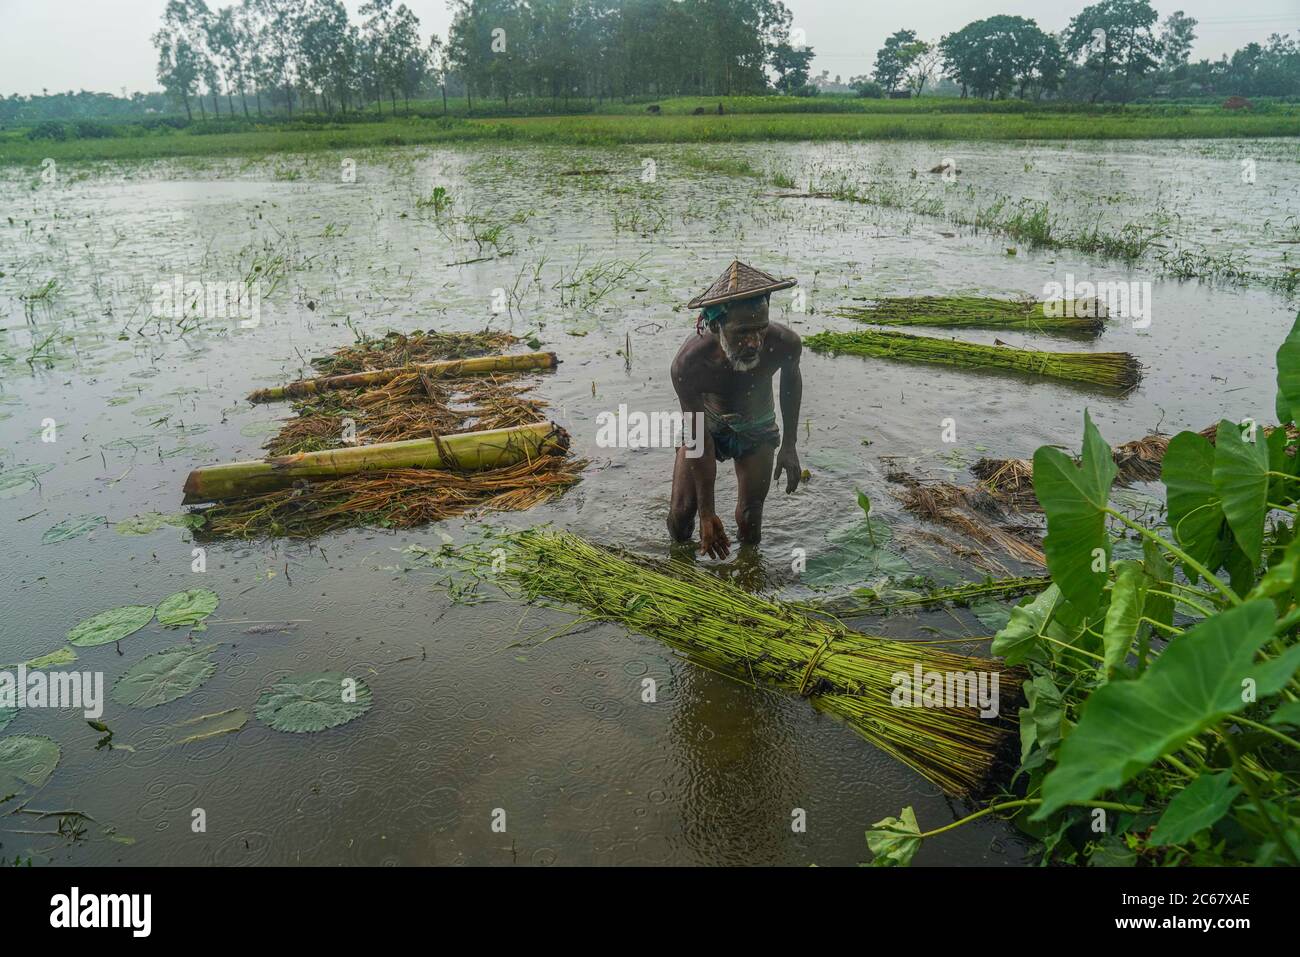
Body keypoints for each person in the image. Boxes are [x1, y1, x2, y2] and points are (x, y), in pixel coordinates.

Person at [668, 260, 802, 559]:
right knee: (681, 516)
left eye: (760, 329)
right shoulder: (688, 365)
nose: (754, 342)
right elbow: (696, 436)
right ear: (716, 326)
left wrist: (790, 445)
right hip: (709, 425)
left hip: (758, 426)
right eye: (742, 332)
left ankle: (748, 575)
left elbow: (791, 385)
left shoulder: (784, 344)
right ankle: (679, 572)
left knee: (750, 519)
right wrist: (707, 512)